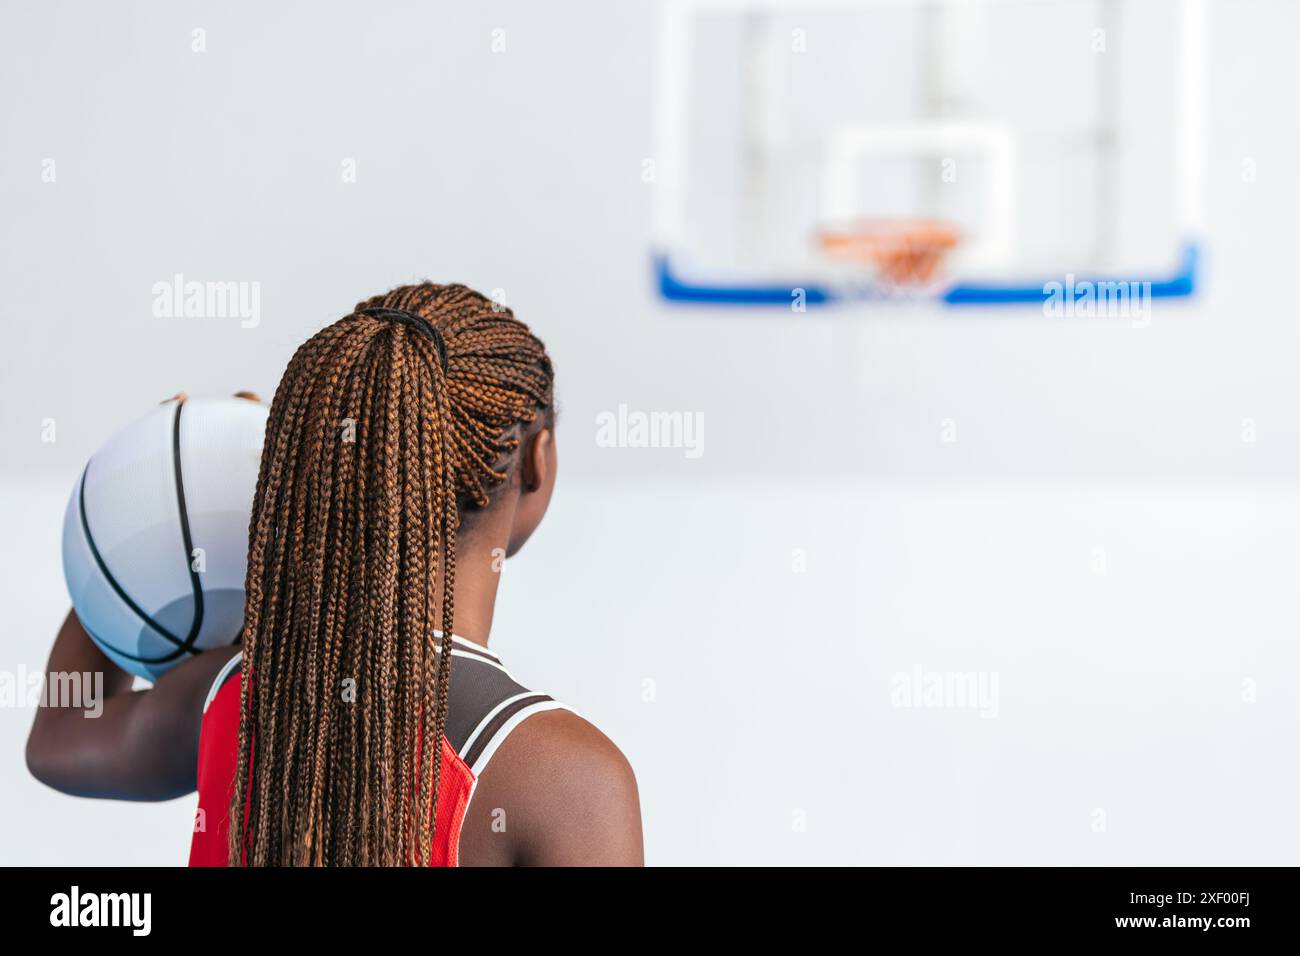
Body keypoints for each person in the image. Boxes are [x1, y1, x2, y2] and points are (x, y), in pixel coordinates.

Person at [26, 283, 643, 866]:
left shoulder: (237, 690)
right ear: (537, 464)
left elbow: (57, 738)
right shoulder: (567, 780)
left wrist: (144, 516)